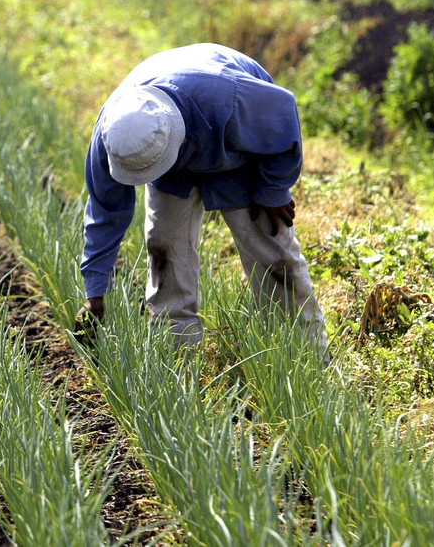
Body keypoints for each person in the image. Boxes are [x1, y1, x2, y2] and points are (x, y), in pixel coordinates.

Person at [78, 43, 328, 356]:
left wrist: (274, 189)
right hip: (175, 162)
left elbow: (281, 120)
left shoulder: (226, 96)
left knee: (272, 254)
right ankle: (176, 361)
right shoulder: (114, 136)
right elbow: (105, 212)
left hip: (233, 144)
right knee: (164, 249)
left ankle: (308, 359)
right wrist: (95, 292)